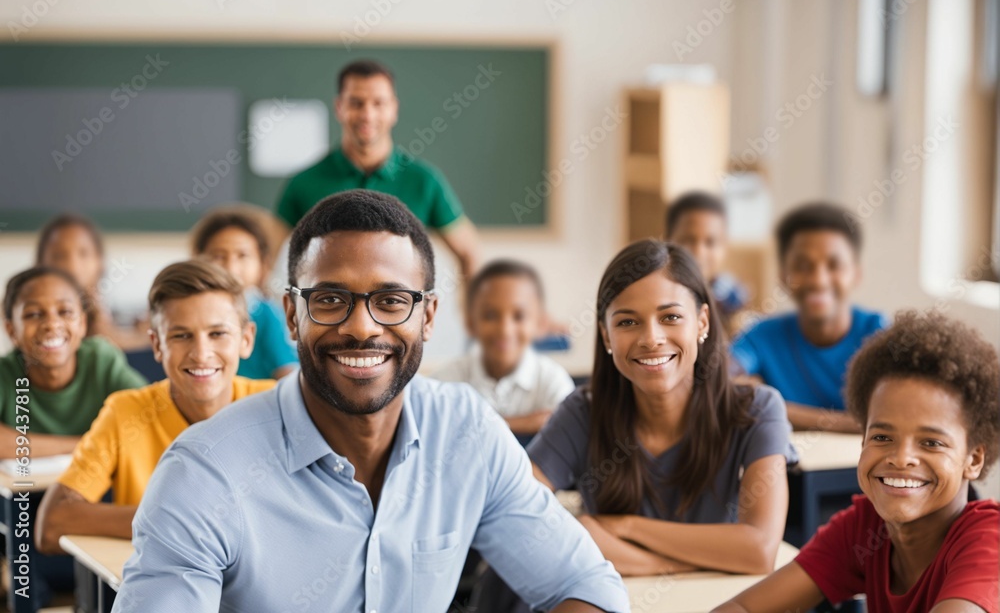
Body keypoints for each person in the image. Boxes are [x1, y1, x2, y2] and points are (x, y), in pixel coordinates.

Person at [111, 190, 628, 613]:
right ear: (291, 315)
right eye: (330, 299)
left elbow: (585, 587)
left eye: (391, 301)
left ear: (427, 317)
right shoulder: (205, 472)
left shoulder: (467, 433)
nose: (361, 326)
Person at [528, 239, 795, 577]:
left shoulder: (758, 409)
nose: (651, 338)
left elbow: (757, 550)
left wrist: (626, 527)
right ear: (606, 336)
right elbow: (518, 513)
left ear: (702, 323)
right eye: (627, 322)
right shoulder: (583, 412)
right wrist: (672, 565)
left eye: (670, 316)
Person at [712, 311, 1000, 613]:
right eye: (882, 437)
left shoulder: (988, 543)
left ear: (974, 459)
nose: (901, 458)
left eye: (931, 443)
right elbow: (743, 607)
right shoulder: (867, 529)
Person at [35, 260, 274, 554]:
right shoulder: (125, 413)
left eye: (217, 334)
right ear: (157, 345)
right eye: (181, 335)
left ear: (246, 339)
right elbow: (53, 523)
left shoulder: (275, 409)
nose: (201, 354)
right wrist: (179, 519)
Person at [275, 59, 479, 280]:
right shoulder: (304, 183)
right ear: (339, 108)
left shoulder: (424, 181)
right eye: (356, 103)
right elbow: (263, 252)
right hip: (327, 311)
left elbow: (470, 254)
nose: (367, 115)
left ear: (394, 109)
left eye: (378, 103)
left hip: (403, 311)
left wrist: (470, 313)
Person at [730, 203, 888, 433]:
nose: (818, 280)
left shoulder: (879, 335)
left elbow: (888, 422)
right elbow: (723, 381)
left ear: (856, 274)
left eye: (834, 265)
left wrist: (773, 408)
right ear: (783, 275)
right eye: (803, 266)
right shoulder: (760, 337)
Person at [1, 266, 146, 459]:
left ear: (83, 324)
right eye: (34, 314)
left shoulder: (100, 359)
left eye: (65, 311)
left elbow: (147, 418)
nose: (52, 323)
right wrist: (87, 443)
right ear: (12, 331)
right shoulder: (5, 373)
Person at [433, 259, 575, 437]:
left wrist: (477, 424)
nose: (505, 330)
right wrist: (521, 423)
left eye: (519, 316)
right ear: (470, 323)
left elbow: (565, 426)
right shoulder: (448, 379)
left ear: (540, 323)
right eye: (490, 315)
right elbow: (436, 425)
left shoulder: (551, 380)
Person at [192, 209, 298, 379]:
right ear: (197, 260)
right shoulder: (191, 311)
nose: (230, 267)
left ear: (263, 264)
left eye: (242, 256)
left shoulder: (267, 314)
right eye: (218, 256)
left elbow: (288, 374)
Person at [35, 213, 149, 350]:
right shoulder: (28, 310)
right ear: (41, 263)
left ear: (100, 262)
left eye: (83, 253)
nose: (72, 265)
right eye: (59, 256)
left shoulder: (113, 314)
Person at [665, 191, 749, 334]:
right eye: (687, 240)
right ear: (667, 240)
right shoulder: (658, 292)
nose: (699, 252)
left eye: (710, 242)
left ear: (724, 247)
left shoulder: (732, 297)